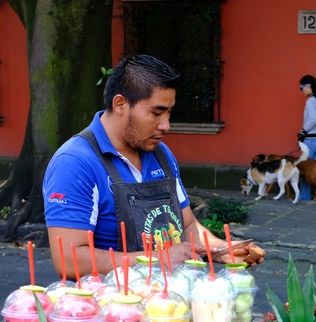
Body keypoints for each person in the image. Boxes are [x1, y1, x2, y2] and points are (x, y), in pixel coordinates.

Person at [44, 54, 262, 279]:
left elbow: (187, 227)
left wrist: (222, 250)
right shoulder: (75, 162)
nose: (166, 125)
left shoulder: (161, 154)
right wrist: (160, 258)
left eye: (168, 113)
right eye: (156, 113)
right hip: (112, 308)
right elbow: (68, 261)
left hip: (167, 305)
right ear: (120, 104)